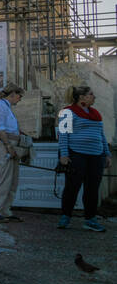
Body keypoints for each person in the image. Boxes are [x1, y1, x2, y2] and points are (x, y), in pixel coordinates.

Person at [58, 86, 110, 231]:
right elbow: (63, 134)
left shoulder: (96, 114)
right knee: (72, 187)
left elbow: (102, 135)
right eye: (91, 94)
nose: (94, 97)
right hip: (77, 154)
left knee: (92, 188)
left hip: (96, 155)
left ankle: (90, 219)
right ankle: (66, 216)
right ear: (81, 97)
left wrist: (107, 154)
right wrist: (64, 154)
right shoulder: (67, 112)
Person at [0, 84, 26, 222]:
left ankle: (5, 210)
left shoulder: (7, 108)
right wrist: (8, 146)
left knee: (13, 180)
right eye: (19, 96)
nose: (20, 99)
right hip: (4, 145)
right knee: (3, 179)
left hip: (12, 144)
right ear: (13, 94)